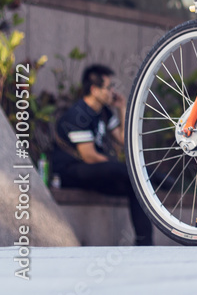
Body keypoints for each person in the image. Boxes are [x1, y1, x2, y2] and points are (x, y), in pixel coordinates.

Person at [51, 64, 154, 246]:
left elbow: (124, 139)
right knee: (131, 174)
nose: (112, 92)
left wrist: (122, 107)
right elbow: (89, 156)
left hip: (94, 171)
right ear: (94, 89)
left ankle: (145, 243)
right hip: (70, 171)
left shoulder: (104, 112)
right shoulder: (78, 114)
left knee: (135, 186)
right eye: (109, 87)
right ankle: (160, 178)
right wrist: (117, 166)